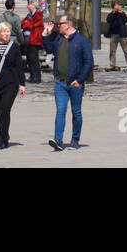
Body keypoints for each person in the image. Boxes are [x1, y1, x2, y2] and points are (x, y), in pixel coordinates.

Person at [42, 13, 93, 151]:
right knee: (60, 111)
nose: (58, 26)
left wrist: (80, 80)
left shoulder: (82, 41)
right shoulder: (59, 38)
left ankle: (75, 140)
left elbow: (89, 63)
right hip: (60, 83)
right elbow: (49, 50)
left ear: (68, 25)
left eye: (61, 24)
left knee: (76, 112)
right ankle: (58, 140)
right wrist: (46, 35)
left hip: (75, 83)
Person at [0, 22, 26, 150]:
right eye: (4, 31)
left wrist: (22, 84)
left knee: (5, 110)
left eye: (8, 31)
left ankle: (1, 139)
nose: (6, 34)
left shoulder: (14, 46)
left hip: (10, 83)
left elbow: (19, 66)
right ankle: (5, 134)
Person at [105, 2, 127, 71]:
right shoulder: (111, 14)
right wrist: (113, 13)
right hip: (113, 34)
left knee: (125, 50)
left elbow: (125, 20)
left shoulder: (122, 13)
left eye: (118, 5)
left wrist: (121, 13)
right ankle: (112, 65)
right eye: (116, 6)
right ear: (113, 7)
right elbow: (108, 20)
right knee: (112, 51)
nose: (118, 7)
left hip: (122, 35)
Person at [22, 0, 46, 82]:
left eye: (30, 4)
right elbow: (23, 23)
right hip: (28, 39)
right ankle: (32, 76)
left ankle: (37, 76)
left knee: (34, 59)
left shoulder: (38, 15)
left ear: (34, 6)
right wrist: (26, 23)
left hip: (34, 39)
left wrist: (27, 23)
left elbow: (32, 25)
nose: (28, 6)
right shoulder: (29, 15)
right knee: (29, 58)